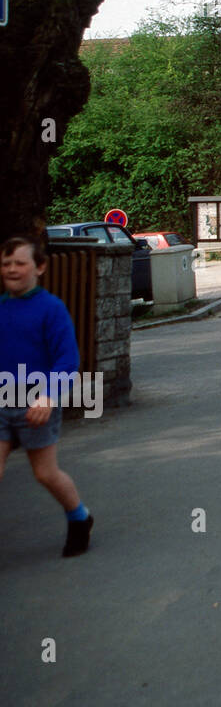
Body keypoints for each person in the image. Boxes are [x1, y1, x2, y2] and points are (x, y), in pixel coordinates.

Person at [0, 236, 93, 557]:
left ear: (39, 267)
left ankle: (79, 517)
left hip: (37, 403)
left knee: (45, 473)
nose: (12, 269)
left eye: (20, 263)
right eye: (6, 263)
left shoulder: (50, 309)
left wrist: (48, 396)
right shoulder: (1, 308)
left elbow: (67, 361)